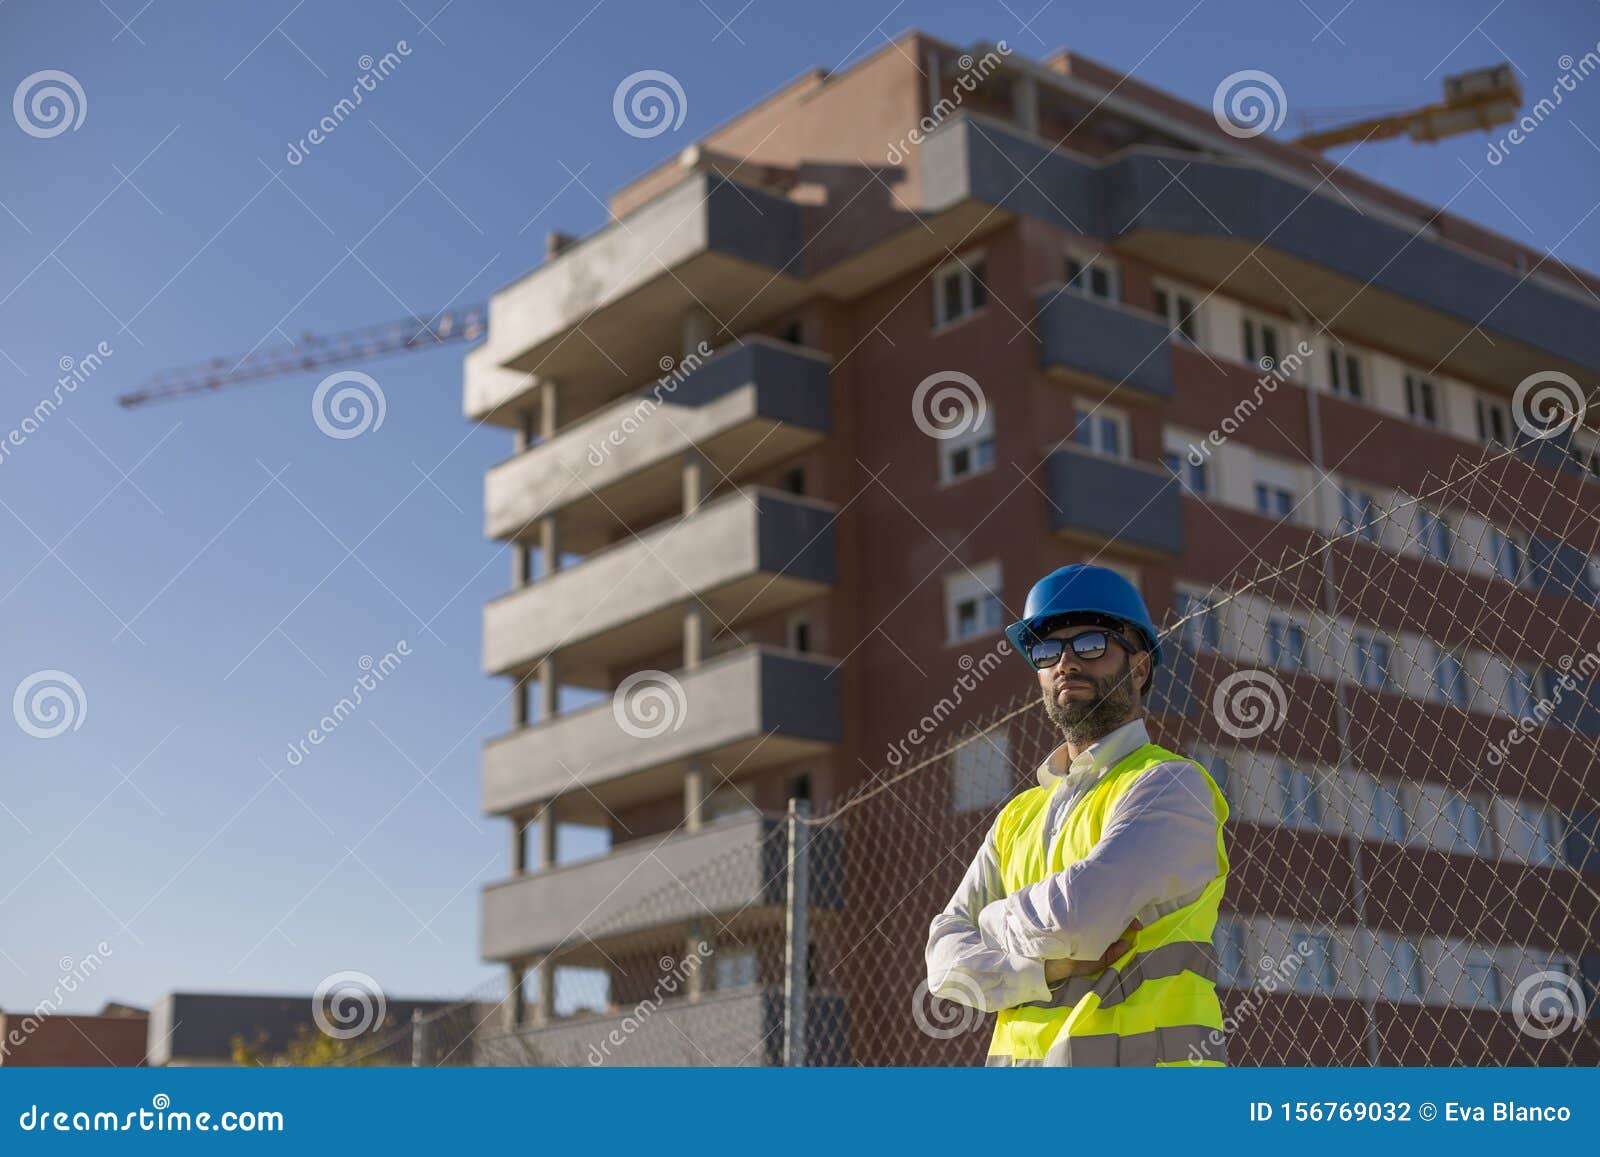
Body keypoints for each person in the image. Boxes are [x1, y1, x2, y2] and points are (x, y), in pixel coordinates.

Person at [924, 563, 1230, 1066]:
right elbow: (944, 965)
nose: (1065, 662)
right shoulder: (1016, 816)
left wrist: (990, 920)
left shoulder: (1170, 785)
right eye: (1047, 650)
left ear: (1139, 666)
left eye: (1090, 643)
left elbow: (1081, 918)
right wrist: (1045, 971)